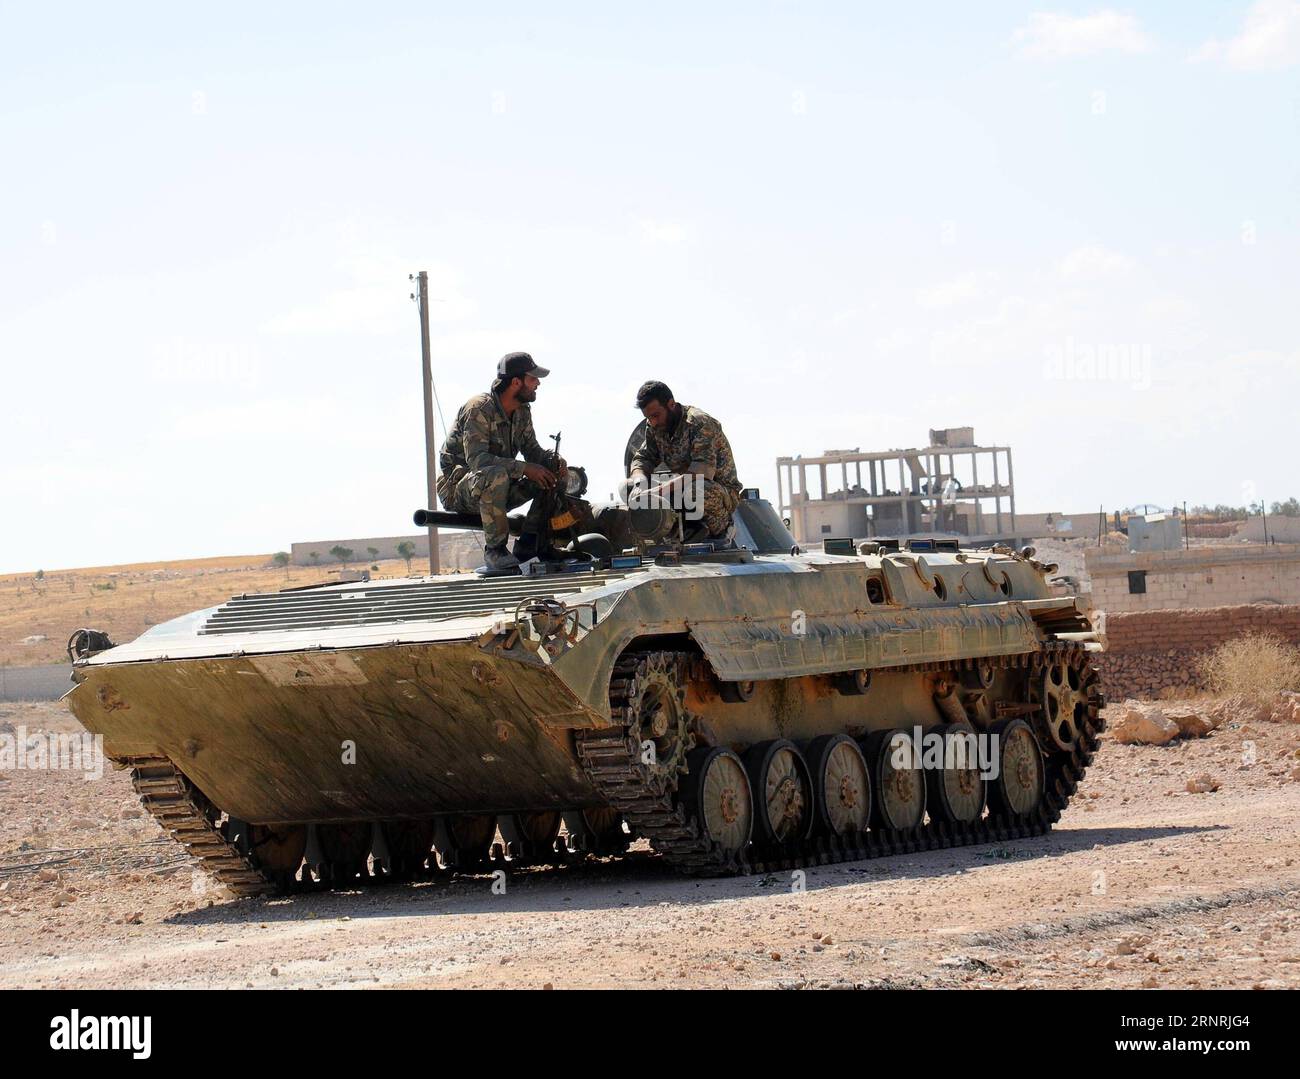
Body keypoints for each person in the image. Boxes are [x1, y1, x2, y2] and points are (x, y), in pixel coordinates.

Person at [438, 352, 565, 573]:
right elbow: (478, 461)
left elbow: (531, 449)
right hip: (461, 489)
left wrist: (552, 460)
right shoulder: (478, 409)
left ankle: (531, 543)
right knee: (495, 473)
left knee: (551, 472)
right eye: (533, 378)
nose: (538, 384)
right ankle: (495, 551)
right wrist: (525, 468)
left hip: (500, 487)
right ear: (516, 382)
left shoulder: (522, 411)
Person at [625, 380, 743, 541]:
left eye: (655, 415)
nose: (652, 422)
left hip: (719, 491)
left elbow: (700, 473)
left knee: (695, 490)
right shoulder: (654, 426)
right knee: (627, 488)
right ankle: (677, 531)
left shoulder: (699, 423)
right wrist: (639, 484)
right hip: (679, 487)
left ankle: (722, 527)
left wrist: (655, 492)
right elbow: (643, 458)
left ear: (671, 404)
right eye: (648, 417)